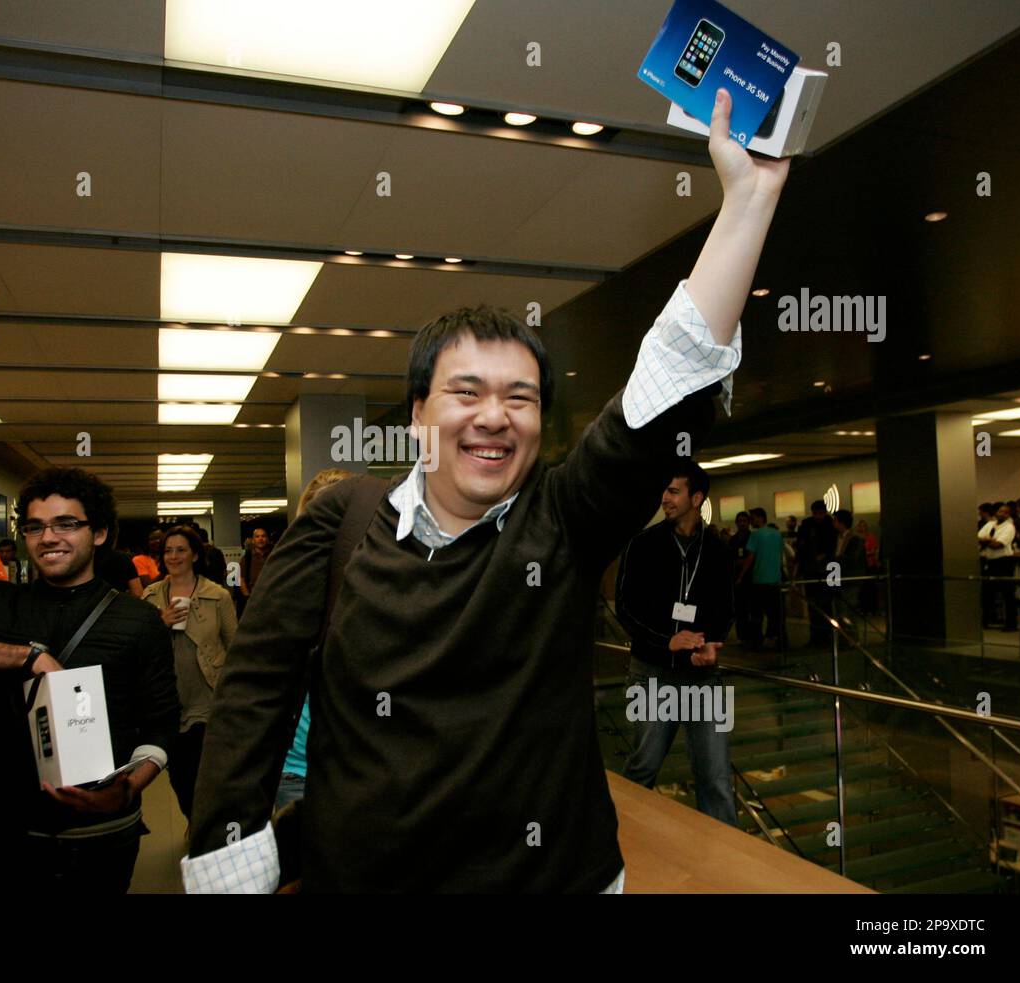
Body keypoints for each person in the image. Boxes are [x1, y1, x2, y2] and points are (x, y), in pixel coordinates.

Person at [180, 88, 789, 893]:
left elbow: (660, 394)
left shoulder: (560, 523)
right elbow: (257, 685)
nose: (494, 417)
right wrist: (230, 843)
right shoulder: (343, 519)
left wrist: (747, 202)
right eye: (466, 391)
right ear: (419, 412)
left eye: (522, 396)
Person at [0, 467, 179, 894]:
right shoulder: (2, 603)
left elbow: (162, 721)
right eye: (35, 527)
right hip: (2, 828)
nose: (49, 537)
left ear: (98, 533)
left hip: (97, 832)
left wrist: (128, 788)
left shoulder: (138, 620)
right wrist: (27, 657)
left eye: (66, 524)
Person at [615, 464, 736, 827]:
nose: (665, 499)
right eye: (664, 491)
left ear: (696, 498)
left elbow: (725, 608)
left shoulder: (717, 549)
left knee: (716, 778)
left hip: (703, 676)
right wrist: (665, 640)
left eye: (673, 492)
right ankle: (623, 843)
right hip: (651, 675)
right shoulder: (643, 545)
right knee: (644, 765)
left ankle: (728, 868)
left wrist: (713, 644)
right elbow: (625, 608)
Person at [275, 468, 357, 811]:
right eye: (319, 522)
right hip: (297, 774)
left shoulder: (389, 585)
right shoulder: (286, 590)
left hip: (363, 771)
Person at [142, 524, 236, 821]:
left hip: (208, 695)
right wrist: (162, 622)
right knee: (180, 775)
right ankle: (193, 818)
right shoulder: (151, 595)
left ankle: (204, 827)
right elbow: (139, 648)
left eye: (181, 550)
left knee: (206, 771)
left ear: (195, 555)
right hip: (169, 697)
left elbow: (233, 645)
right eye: (168, 550)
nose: (173, 556)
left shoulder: (217, 595)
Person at [739, 507, 785, 649]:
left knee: (757, 614)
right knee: (774, 614)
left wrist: (740, 576)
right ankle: (774, 639)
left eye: (752, 518)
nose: (751, 521)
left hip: (759, 580)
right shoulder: (778, 534)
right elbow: (781, 555)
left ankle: (757, 641)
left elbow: (750, 557)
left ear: (760, 518)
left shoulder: (756, 535)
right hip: (775, 580)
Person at [796, 499, 836, 645]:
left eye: (820, 513)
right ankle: (819, 636)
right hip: (818, 568)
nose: (818, 516)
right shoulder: (812, 525)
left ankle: (823, 635)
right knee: (817, 604)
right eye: (816, 513)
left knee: (823, 604)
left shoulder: (813, 525)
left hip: (821, 568)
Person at [979, 503, 1017, 630]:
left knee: (1008, 594)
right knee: (987, 593)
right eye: (1000, 511)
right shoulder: (990, 524)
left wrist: (987, 541)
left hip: (1003, 561)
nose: (1001, 513)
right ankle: (986, 621)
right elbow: (978, 538)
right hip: (990, 561)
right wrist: (990, 540)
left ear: (1008, 515)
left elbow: (998, 545)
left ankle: (1011, 624)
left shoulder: (1009, 527)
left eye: (1005, 512)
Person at [832, 509, 866, 628]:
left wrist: (836, 559)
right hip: (838, 576)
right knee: (840, 608)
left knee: (847, 608)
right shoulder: (839, 537)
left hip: (849, 578)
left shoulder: (855, 539)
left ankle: (851, 637)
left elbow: (852, 559)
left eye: (835, 520)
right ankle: (845, 637)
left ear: (841, 522)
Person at [95, 522, 143, 598]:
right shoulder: (123, 558)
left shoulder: (84, 559)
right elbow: (137, 593)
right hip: (117, 605)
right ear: (115, 536)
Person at [236, 525, 272, 618]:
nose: (260, 539)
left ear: (267, 539)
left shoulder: (273, 556)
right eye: (257, 536)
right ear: (253, 540)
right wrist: (247, 596)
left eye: (263, 536)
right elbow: (240, 578)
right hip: (253, 598)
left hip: (271, 598)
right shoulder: (247, 558)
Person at [728, 510, 752, 642]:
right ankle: (741, 635)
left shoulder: (753, 537)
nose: (742, 524)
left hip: (751, 577)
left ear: (748, 523)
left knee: (750, 608)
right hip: (736, 579)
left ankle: (751, 635)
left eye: (744, 521)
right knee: (739, 608)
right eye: (740, 521)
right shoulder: (733, 540)